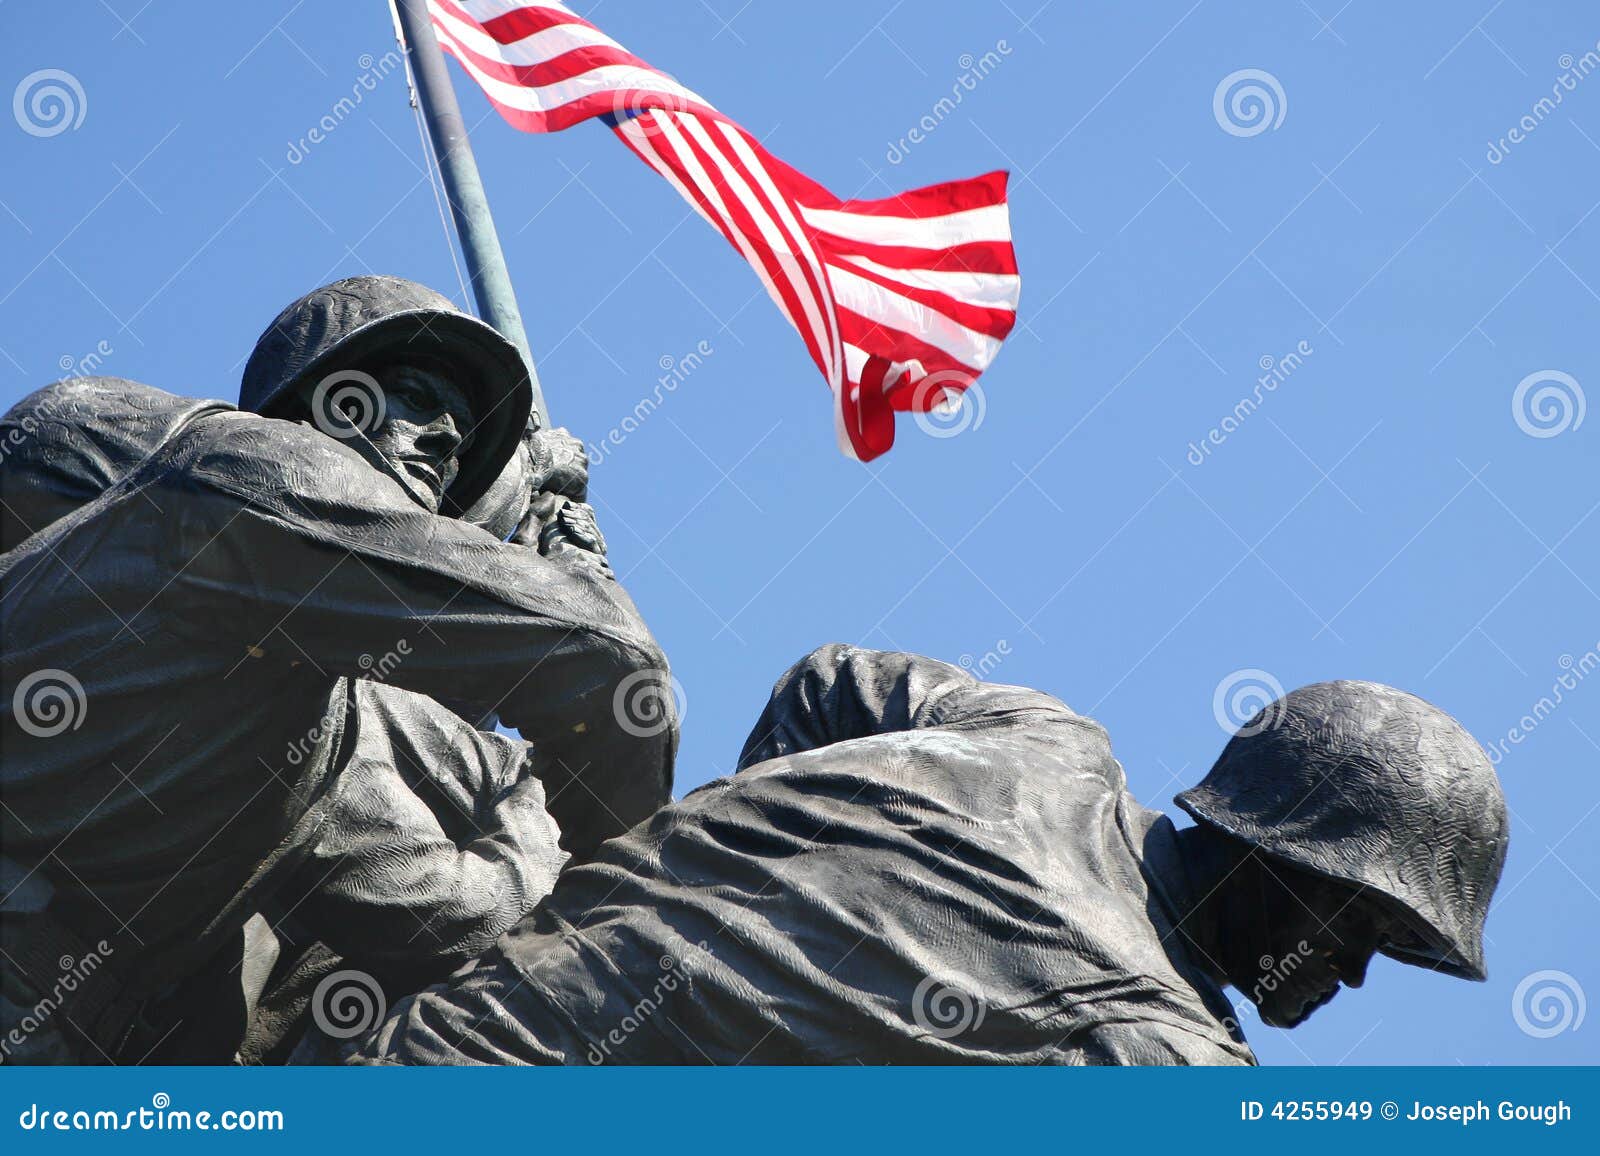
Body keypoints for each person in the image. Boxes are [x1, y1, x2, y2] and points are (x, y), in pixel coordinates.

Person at [0, 275, 676, 1062]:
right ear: (319, 403)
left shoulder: (326, 741)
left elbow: (475, 920)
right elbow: (608, 657)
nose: (446, 442)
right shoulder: (247, 473)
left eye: (460, 433)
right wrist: (570, 552)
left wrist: (531, 810)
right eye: (415, 397)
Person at [317, 645, 1508, 1066]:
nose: (1353, 972)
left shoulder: (1040, 735)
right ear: (1276, 846)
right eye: (1357, 924)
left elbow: (821, 683)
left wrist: (744, 855)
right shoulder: (1168, 1053)